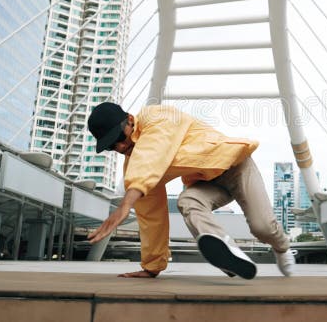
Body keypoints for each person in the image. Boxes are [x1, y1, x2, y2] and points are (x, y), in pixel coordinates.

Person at [85, 102, 295, 279]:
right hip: (206, 184)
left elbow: (151, 152)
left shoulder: (156, 116)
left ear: (130, 120)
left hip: (236, 166)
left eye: (120, 138)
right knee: (187, 201)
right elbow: (151, 216)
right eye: (112, 146)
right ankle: (228, 253)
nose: (120, 148)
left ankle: (282, 248)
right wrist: (151, 267)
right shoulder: (136, 167)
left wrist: (125, 204)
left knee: (263, 228)